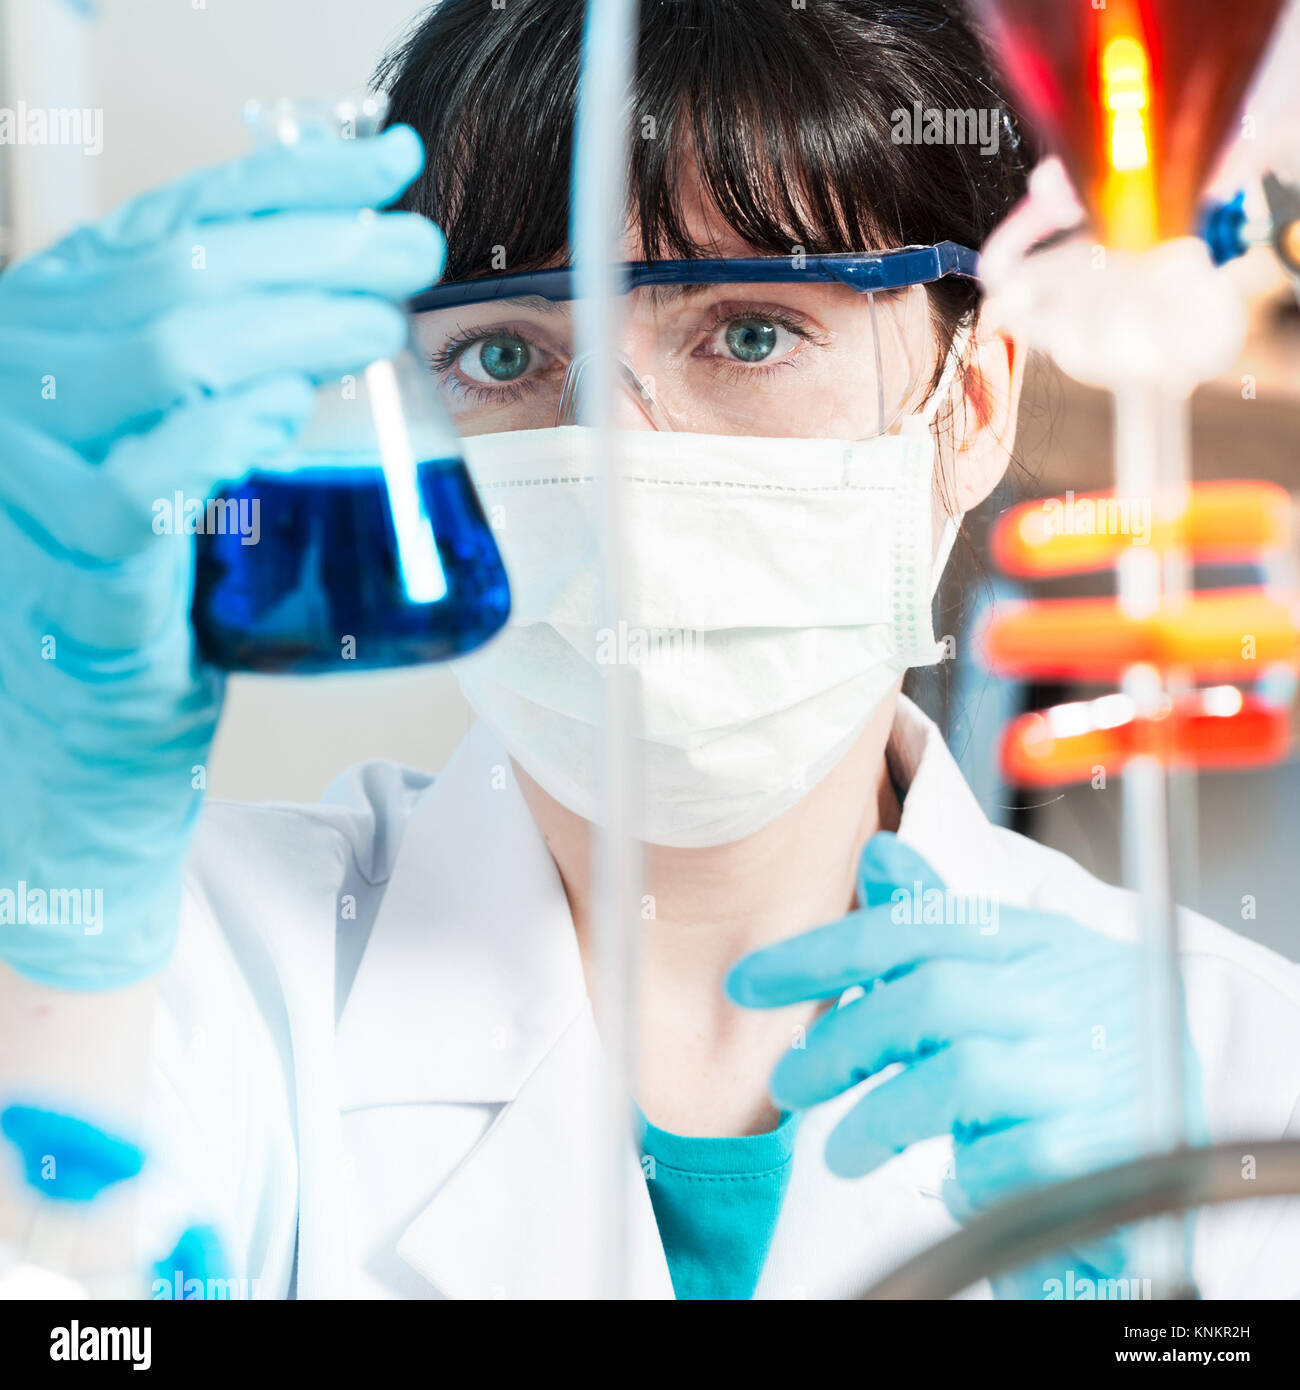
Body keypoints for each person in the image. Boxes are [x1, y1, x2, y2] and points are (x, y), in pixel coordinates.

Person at [2, 0, 1298, 1301]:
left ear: (969, 405)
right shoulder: (174, 971)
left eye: (750, 332)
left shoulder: (1235, 1071)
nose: (619, 468)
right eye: (504, 352)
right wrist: (53, 917)